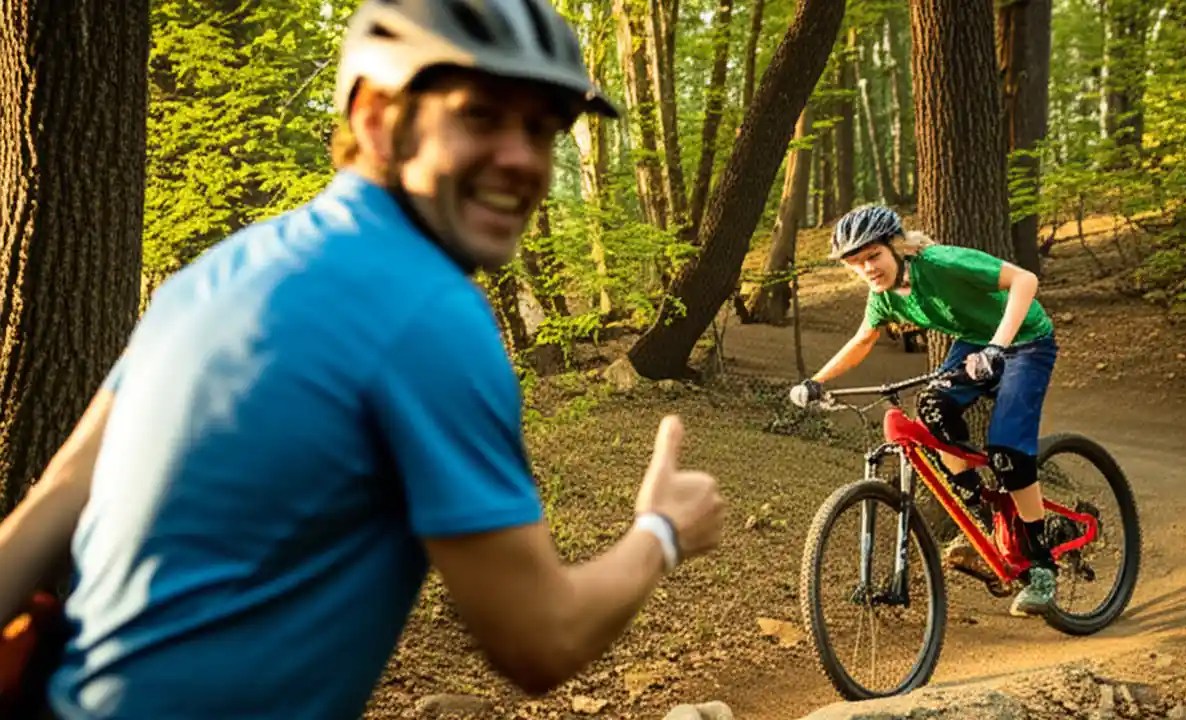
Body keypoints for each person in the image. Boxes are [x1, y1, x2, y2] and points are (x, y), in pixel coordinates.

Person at [0, 0, 726, 717]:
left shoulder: (215, 276)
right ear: (377, 119)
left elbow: (50, 504)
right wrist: (660, 532)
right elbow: (541, 640)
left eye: (543, 130)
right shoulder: (427, 310)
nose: (523, 160)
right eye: (480, 115)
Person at [788, 204, 1058, 618]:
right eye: (857, 264)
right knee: (932, 408)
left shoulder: (941, 262)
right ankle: (983, 510)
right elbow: (862, 342)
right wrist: (817, 382)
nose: (868, 269)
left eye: (873, 256)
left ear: (895, 247)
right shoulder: (884, 298)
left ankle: (1043, 567)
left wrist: (997, 348)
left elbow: (1025, 280)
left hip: (1025, 339)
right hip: (973, 343)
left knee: (1007, 449)